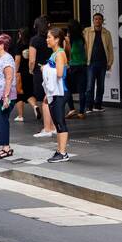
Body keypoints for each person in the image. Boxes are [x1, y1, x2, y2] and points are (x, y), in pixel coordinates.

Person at [41, 25, 71, 164]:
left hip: (61, 92)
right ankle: (60, 150)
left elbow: (59, 73)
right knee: (57, 122)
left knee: (60, 122)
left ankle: (63, 152)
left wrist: (45, 68)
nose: (47, 40)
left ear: (57, 39)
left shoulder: (60, 54)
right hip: (55, 92)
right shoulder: (55, 53)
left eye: (49, 37)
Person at [82, 13, 114, 112]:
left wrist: (110, 62)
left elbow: (110, 49)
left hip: (103, 63)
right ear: (93, 20)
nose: (97, 21)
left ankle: (98, 106)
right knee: (90, 86)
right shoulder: (87, 31)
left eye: (99, 19)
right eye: (95, 19)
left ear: (102, 21)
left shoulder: (106, 33)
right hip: (90, 63)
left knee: (101, 86)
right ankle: (88, 106)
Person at [65, 19, 88, 120]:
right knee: (82, 90)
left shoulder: (68, 39)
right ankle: (82, 112)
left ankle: (72, 109)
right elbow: (85, 51)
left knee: (67, 89)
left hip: (73, 66)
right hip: (83, 66)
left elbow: (67, 53)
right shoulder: (82, 38)